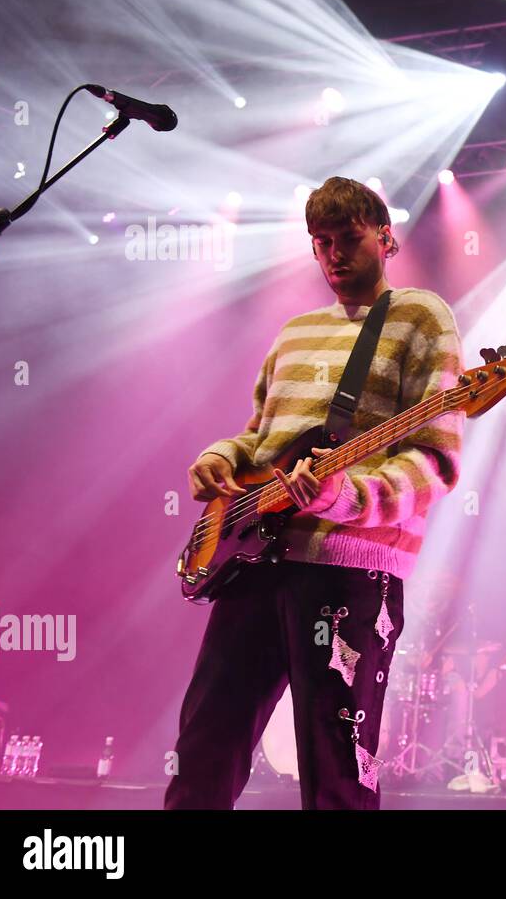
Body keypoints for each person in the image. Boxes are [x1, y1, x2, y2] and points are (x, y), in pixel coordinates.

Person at [166, 177, 463, 809]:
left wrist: (339, 497)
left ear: (387, 238)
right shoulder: (294, 331)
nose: (333, 254)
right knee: (203, 750)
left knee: (336, 772)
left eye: (349, 239)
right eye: (321, 242)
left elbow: (435, 463)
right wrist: (218, 459)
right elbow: (257, 440)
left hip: (349, 575)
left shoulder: (420, 317)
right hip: (252, 565)